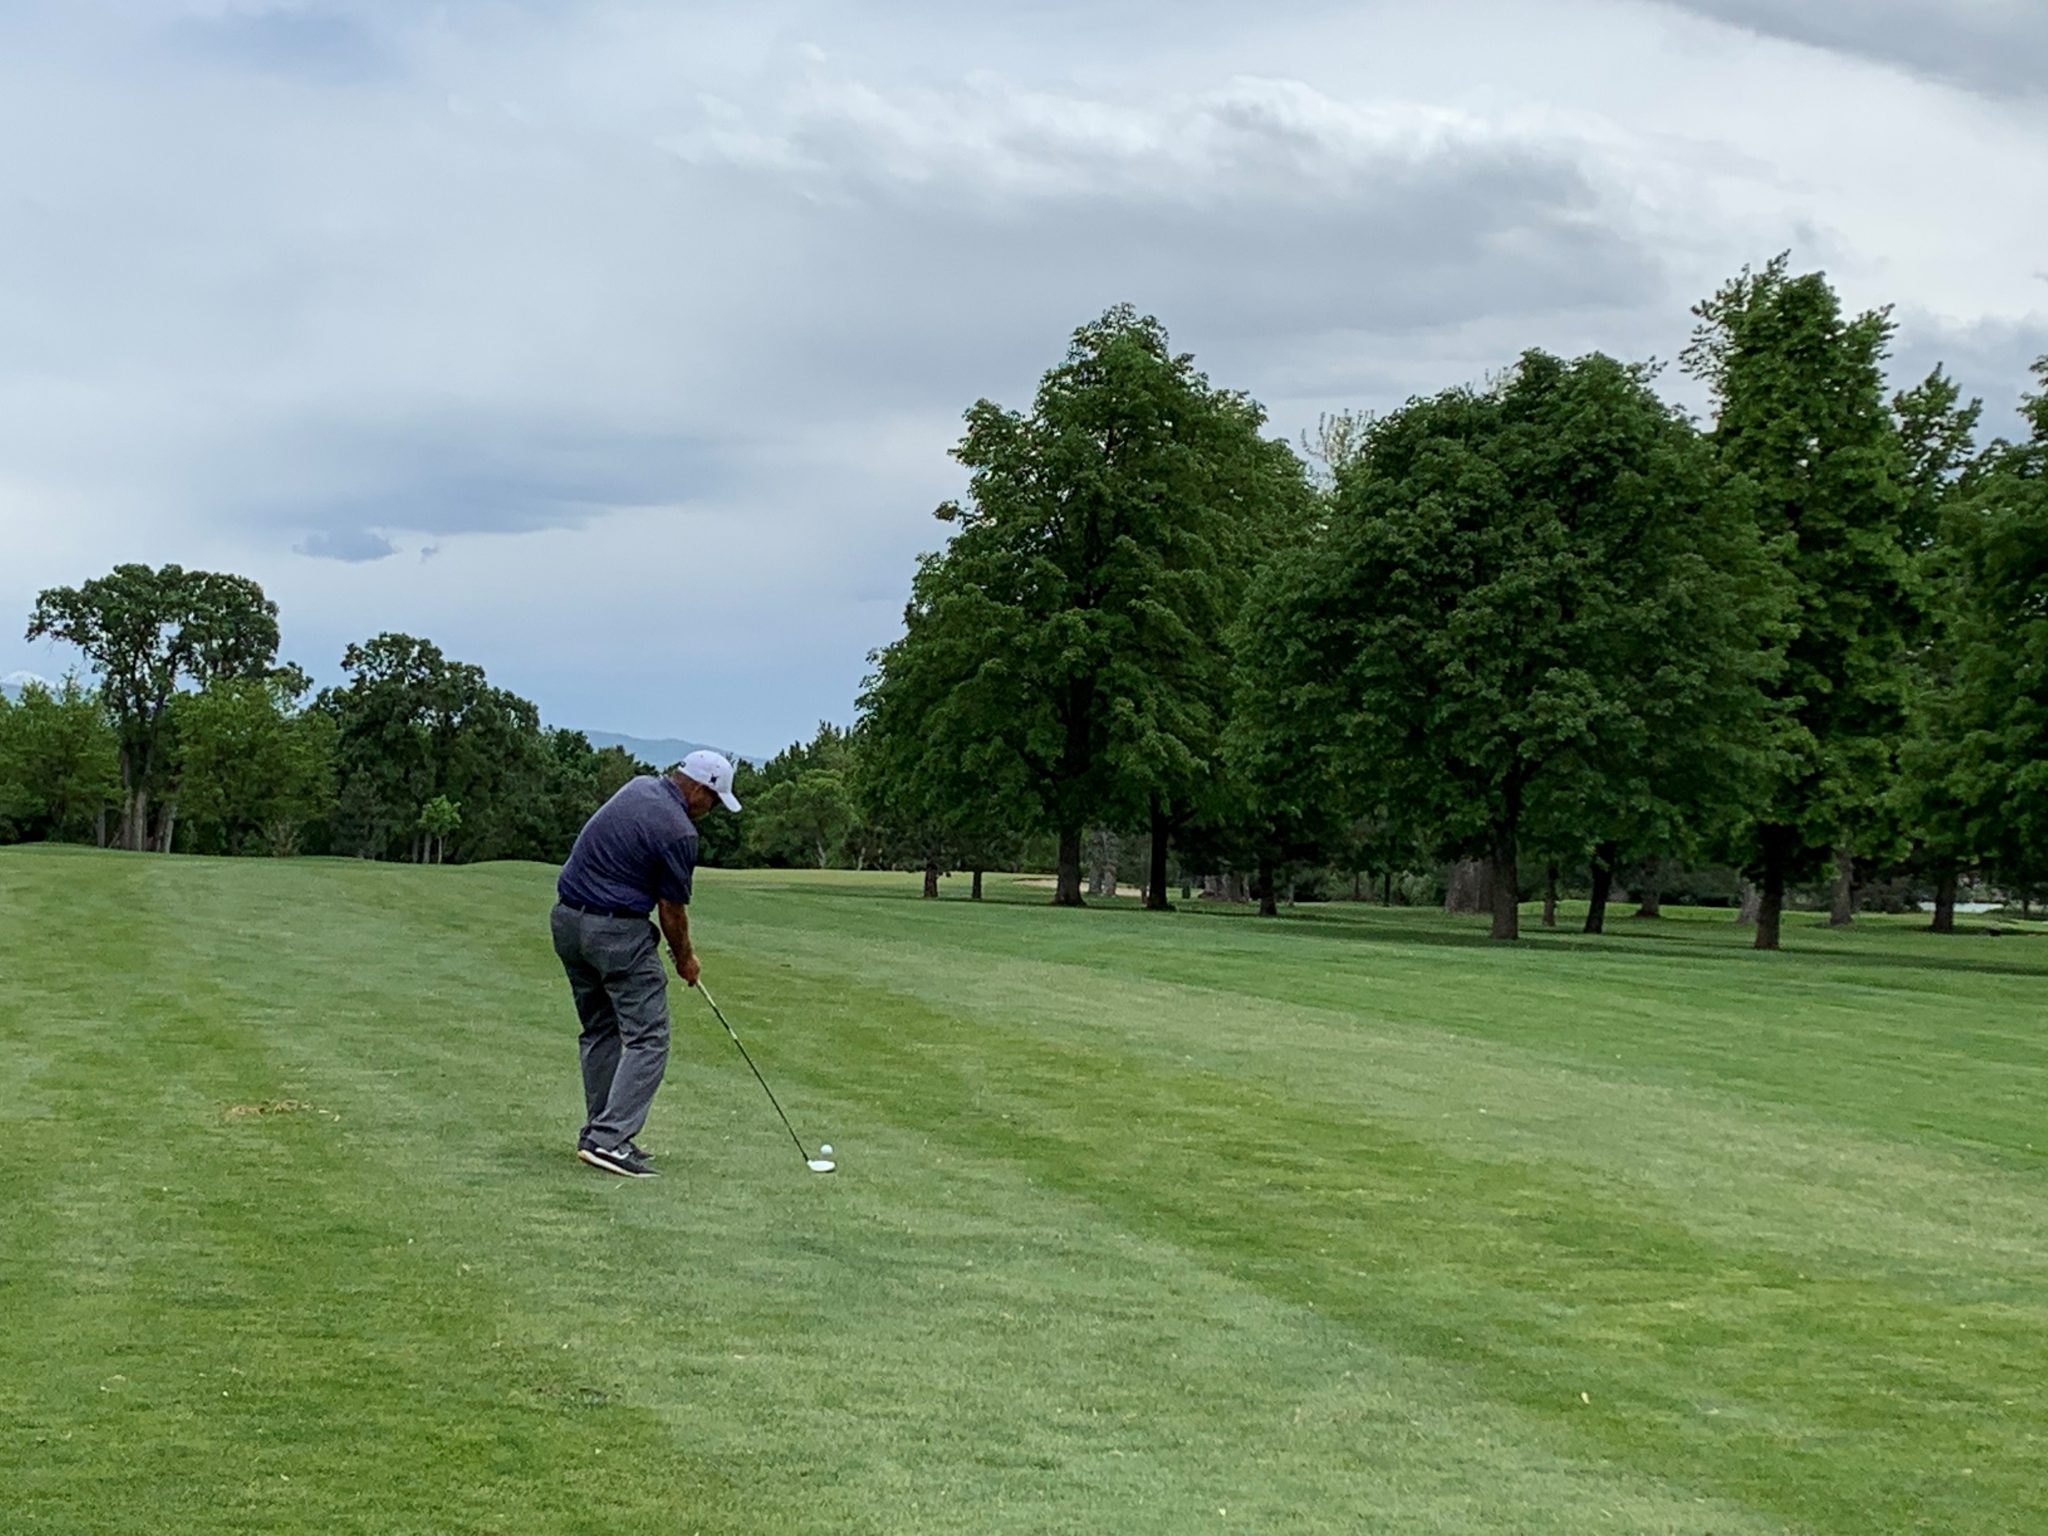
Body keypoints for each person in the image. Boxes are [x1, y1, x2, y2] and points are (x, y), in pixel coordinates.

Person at [550, 749, 741, 1178]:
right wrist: (686, 960)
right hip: (615, 932)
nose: (709, 812)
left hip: (567, 921)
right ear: (699, 789)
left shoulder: (638, 786)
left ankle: (601, 1133)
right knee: (648, 1036)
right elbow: (671, 909)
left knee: (600, 1029)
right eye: (713, 802)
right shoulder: (679, 831)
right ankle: (608, 1139)